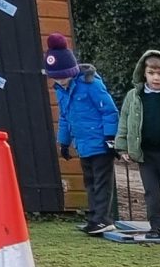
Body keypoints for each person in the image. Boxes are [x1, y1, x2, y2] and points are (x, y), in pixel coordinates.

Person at [43, 34, 117, 236]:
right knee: (90, 182)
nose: (60, 80)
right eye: (55, 77)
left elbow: (109, 110)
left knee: (102, 182)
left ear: (72, 70)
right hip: (83, 144)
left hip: (100, 143)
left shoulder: (91, 84)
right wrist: (64, 142)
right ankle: (94, 218)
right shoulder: (61, 89)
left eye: (63, 76)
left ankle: (103, 219)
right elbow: (65, 117)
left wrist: (110, 137)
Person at [112, 48, 160, 243]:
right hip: (146, 155)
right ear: (143, 73)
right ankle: (156, 228)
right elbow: (124, 121)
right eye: (151, 73)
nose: (156, 78)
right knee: (152, 194)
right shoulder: (134, 98)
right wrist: (123, 147)